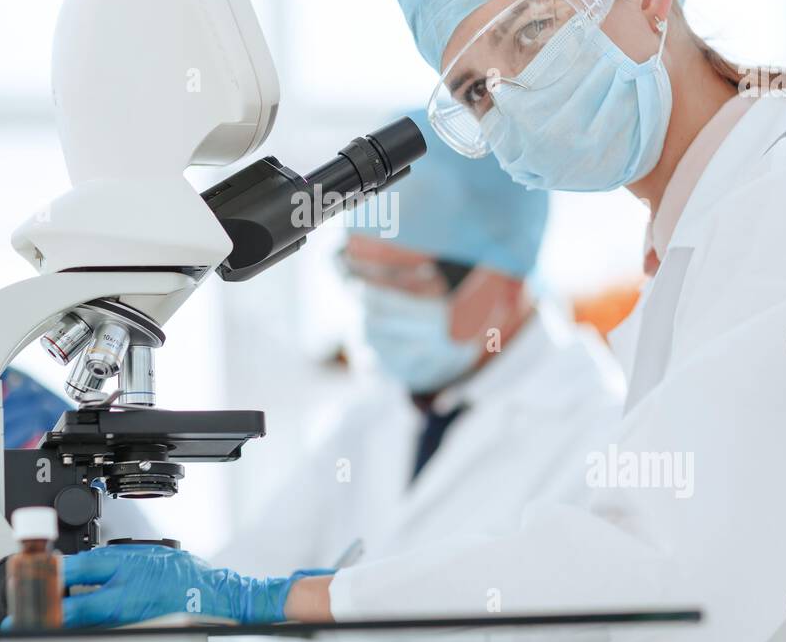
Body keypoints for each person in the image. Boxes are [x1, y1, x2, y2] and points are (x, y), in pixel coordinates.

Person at [53, 0, 786, 642]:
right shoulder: (711, 234)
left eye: (534, 33)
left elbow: (666, 567)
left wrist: (277, 603)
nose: (512, 94)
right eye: (474, 89)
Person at [209, 112, 624, 580]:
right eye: (361, 273)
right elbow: (253, 564)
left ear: (507, 278)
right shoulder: (378, 414)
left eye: (404, 278)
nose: (378, 303)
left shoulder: (601, 432)